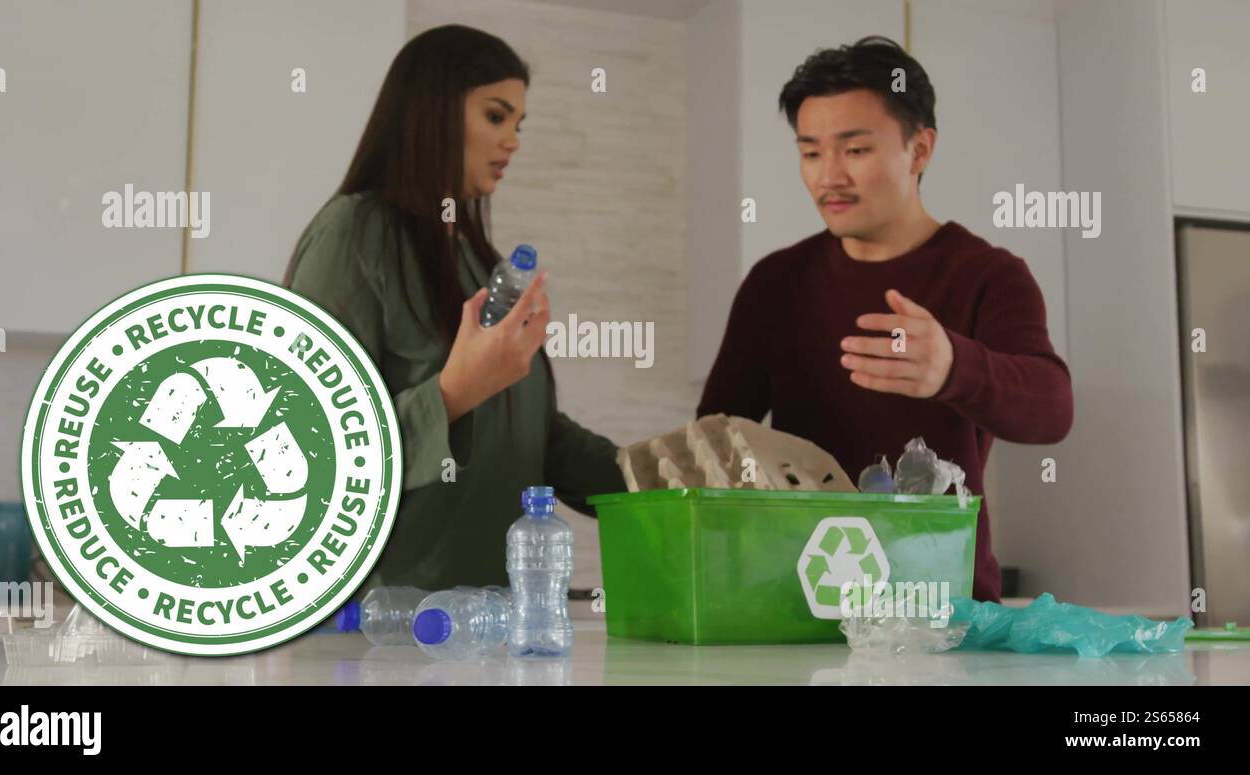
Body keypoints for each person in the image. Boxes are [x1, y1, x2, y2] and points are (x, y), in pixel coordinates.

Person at [697, 36, 1074, 602]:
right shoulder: (775, 283)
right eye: (810, 152)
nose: (829, 177)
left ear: (919, 150)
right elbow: (717, 435)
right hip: (800, 598)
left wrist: (953, 368)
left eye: (854, 150)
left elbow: (1052, 410)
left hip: (944, 606)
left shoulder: (989, 274)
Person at [285, 25, 625, 591]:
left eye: (518, 124)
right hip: (382, 630)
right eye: (495, 117)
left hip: (491, 618)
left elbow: (529, 433)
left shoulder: (471, 259)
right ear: (432, 111)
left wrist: (655, 481)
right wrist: (452, 394)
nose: (513, 141)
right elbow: (305, 444)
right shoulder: (353, 235)